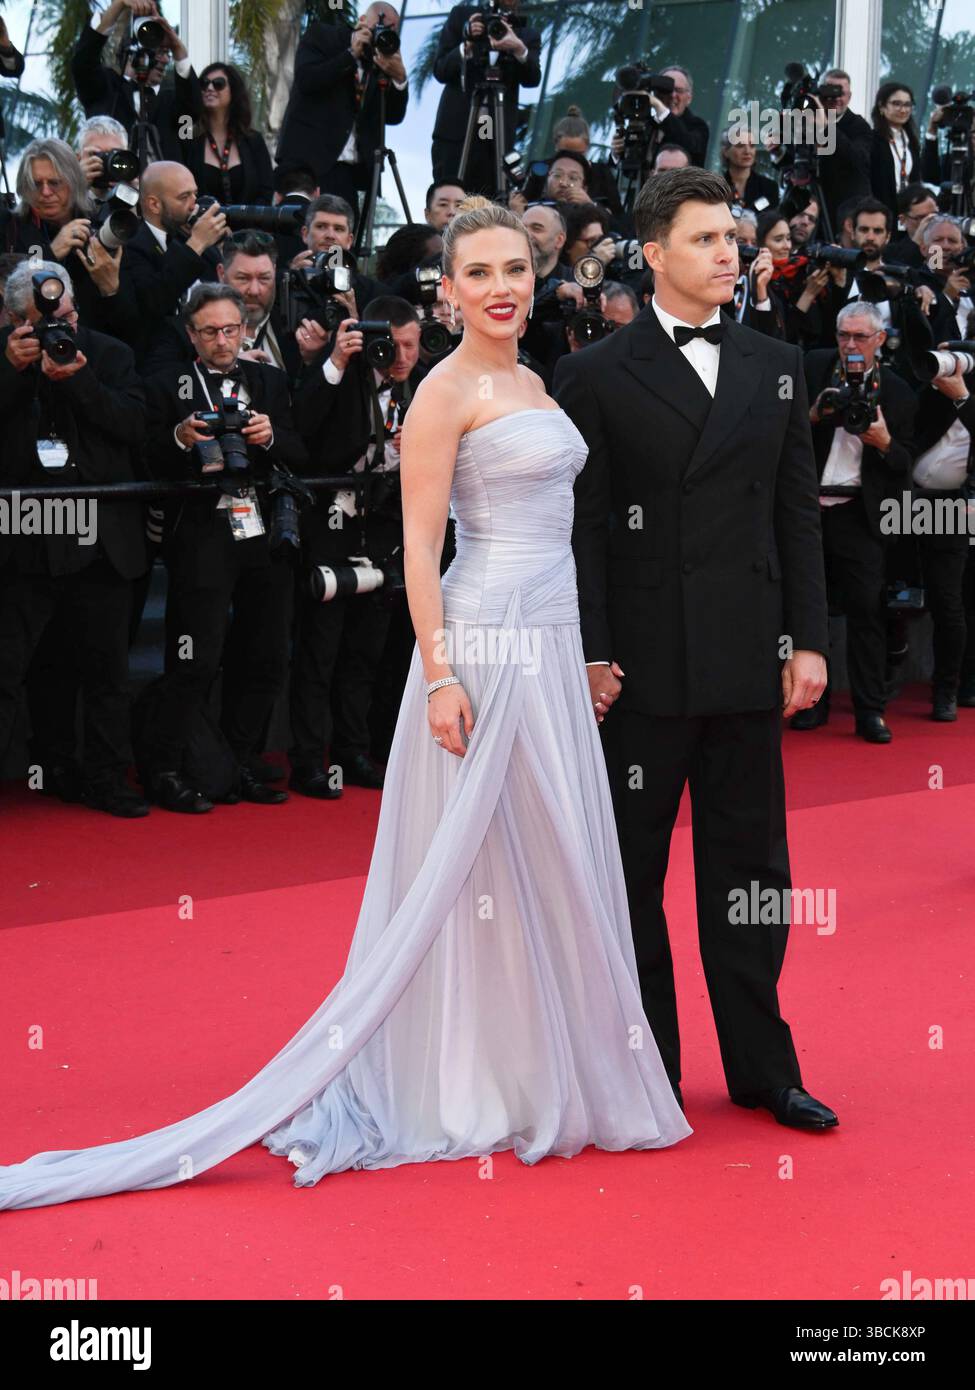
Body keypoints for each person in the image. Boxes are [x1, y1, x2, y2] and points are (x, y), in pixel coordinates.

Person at [0, 201, 692, 1211]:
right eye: (480, 272)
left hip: (548, 642)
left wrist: (584, 651)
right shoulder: (443, 393)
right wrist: (445, 674)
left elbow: (560, 529)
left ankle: (530, 1069)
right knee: (468, 865)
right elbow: (420, 549)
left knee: (550, 859)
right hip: (484, 642)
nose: (503, 286)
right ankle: (453, 1079)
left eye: (516, 268)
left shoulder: (535, 381)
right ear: (447, 290)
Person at [554, 167, 837, 1129]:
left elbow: (798, 515)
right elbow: (581, 530)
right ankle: (649, 1074)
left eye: (733, 238)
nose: (730, 253)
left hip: (749, 657)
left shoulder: (776, 359)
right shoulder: (592, 373)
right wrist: (590, 652)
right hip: (639, 668)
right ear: (653, 252)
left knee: (753, 875)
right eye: (709, 238)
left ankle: (764, 1069)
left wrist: (807, 642)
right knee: (630, 877)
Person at [0, 262, 149, 819]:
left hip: (100, 530)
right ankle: (50, 767)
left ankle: (109, 779)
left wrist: (79, 380)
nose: (60, 331)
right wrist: (9, 373)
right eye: (44, 323)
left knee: (107, 669)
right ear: (18, 320)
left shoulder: (110, 355)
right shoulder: (7, 356)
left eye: (66, 318)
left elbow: (134, 426)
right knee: (21, 667)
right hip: (25, 532)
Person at [798, 301, 917, 742]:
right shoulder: (812, 369)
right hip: (808, 511)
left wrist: (883, 442)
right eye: (843, 335)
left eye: (860, 337)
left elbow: (907, 464)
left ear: (880, 340)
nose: (850, 345)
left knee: (867, 612)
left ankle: (870, 710)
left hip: (859, 516)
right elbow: (779, 432)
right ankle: (812, 703)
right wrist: (812, 415)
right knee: (809, 613)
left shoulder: (899, 391)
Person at [275, 4, 409, 206]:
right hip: (306, 162)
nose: (384, 33)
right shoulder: (323, 35)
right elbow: (307, 80)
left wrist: (399, 79)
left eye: (392, 30)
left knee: (341, 232)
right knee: (297, 229)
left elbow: (393, 116)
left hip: (347, 170)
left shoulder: (381, 61)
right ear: (363, 20)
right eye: (381, 26)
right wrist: (350, 54)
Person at [431, 2, 542, 196]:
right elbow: (441, 70)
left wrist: (518, 48)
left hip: (493, 131)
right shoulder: (463, 16)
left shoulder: (525, 35)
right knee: (449, 196)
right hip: (456, 130)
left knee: (489, 199)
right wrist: (467, 43)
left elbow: (532, 79)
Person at [175, 62, 274, 206]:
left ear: (233, 92)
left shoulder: (253, 140)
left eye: (218, 84)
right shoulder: (190, 137)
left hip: (249, 225)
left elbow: (266, 191)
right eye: (204, 84)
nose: (209, 88)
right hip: (203, 225)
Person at [870, 82, 920, 224]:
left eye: (907, 104)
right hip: (881, 216)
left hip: (909, 217)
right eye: (896, 104)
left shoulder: (912, 142)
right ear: (882, 106)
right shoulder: (872, 140)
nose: (903, 110)